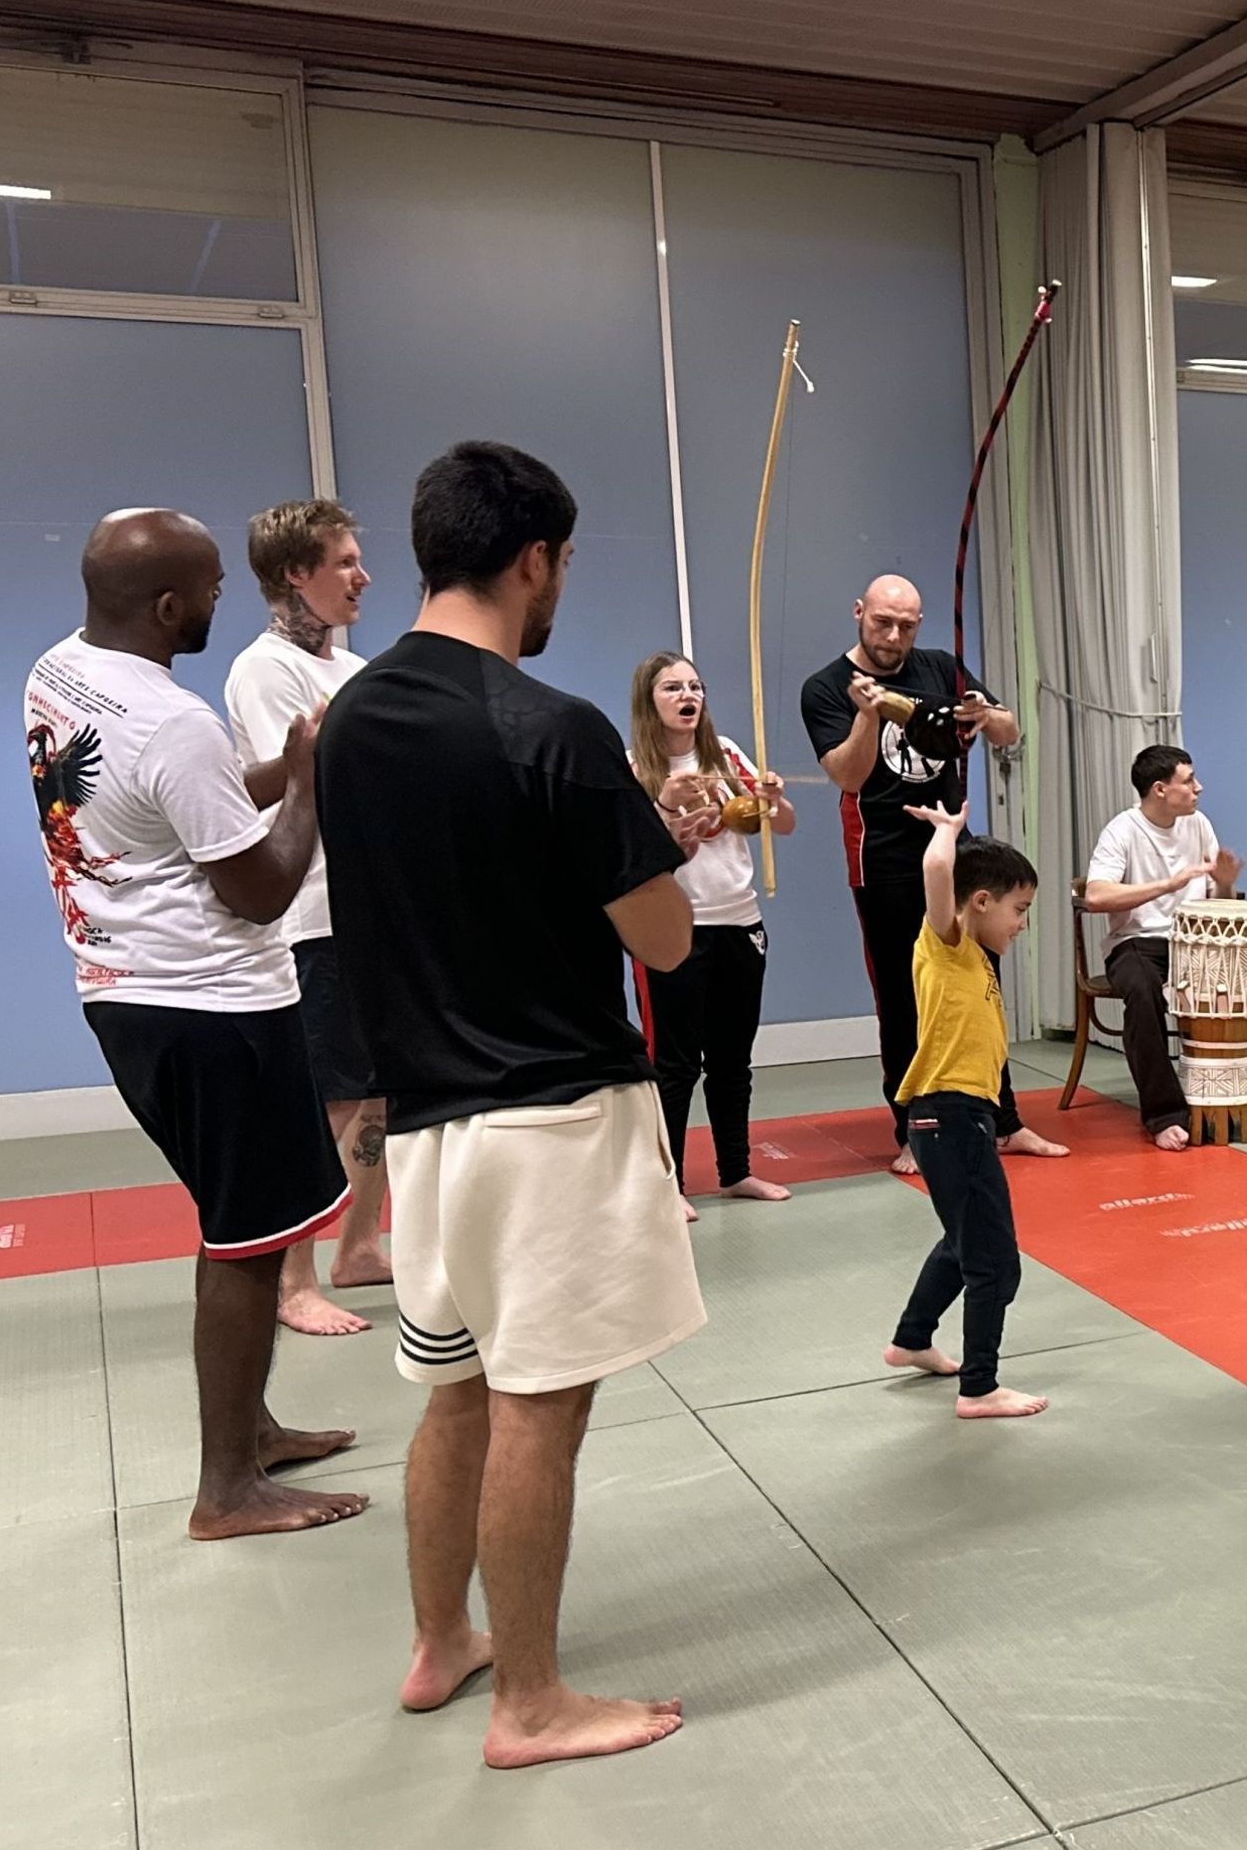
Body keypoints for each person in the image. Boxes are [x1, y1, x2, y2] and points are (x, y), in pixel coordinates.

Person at [316, 442, 703, 1770]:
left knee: (458, 1394)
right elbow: (662, 945)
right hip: (549, 1116)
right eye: (562, 568)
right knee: (542, 1403)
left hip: (422, 1124)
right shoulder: (553, 726)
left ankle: (443, 1643)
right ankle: (529, 1702)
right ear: (533, 558)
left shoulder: (353, 718)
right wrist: (665, 846)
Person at [24, 509, 366, 1540]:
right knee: (248, 1240)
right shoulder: (172, 719)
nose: (226, 599)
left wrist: (280, 767)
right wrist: (308, 781)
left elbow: (195, 804)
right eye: (213, 587)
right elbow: (260, 891)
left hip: (127, 992)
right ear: (169, 606)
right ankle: (228, 1490)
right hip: (208, 1006)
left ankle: (250, 1431)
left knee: (237, 1224)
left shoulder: (62, 669)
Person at [800, 574, 1066, 1176]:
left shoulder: (942, 667)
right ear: (859, 612)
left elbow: (1009, 732)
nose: (894, 636)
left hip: (958, 852)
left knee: (983, 988)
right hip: (885, 861)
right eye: (882, 623)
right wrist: (869, 715)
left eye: (906, 625)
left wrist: (985, 712)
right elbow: (847, 775)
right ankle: (912, 1132)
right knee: (902, 999)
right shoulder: (824, 687)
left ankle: (1005, 1121)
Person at [225, 498, 392, 1335]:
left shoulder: (352, 669)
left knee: (380, 1093)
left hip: (376, 908)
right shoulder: (266, 671)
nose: (364, 576)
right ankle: (294, 1280)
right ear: (297, 573)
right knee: (327, 1099)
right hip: (316, 913)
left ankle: (358, 1247)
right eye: (346, 562)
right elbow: (298, 776)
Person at [880, 803, 1048, 1419]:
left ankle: (911, 1339)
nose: (1022, 924)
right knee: (994, 1264)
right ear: (979, 900)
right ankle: (979, 1387)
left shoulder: (976, 958)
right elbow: (936, 878)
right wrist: (946, 833)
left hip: (955, 1119)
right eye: (1019, 910)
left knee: (962, 1240)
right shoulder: (947, 943)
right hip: (948, 1116)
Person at [628, 650, 796, 1222]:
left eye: (695, 686)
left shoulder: (725, 757)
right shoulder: (633, 769)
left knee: (732, 1058)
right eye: (672, 688)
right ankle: (667, 1184)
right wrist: (669, 813)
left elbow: (785, 821)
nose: (687, 697)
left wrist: (770, 798)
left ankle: (736, 1170)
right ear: (649, 702)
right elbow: (625, 852)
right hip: (673, 928)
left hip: (739, 921)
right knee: (674, 1063)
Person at [1083, 744, 1247, 1148]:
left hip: (1198, 945)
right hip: (1138, 942)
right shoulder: (1122, 830)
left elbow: (1218, 897)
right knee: (1142, 991)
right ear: (1160, 789)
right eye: (1189, 781)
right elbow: (1096, 897)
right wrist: (1169, 885)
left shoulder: (1198, 823)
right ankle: (1164, 1114)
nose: (1199, 788)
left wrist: (1226, 882)